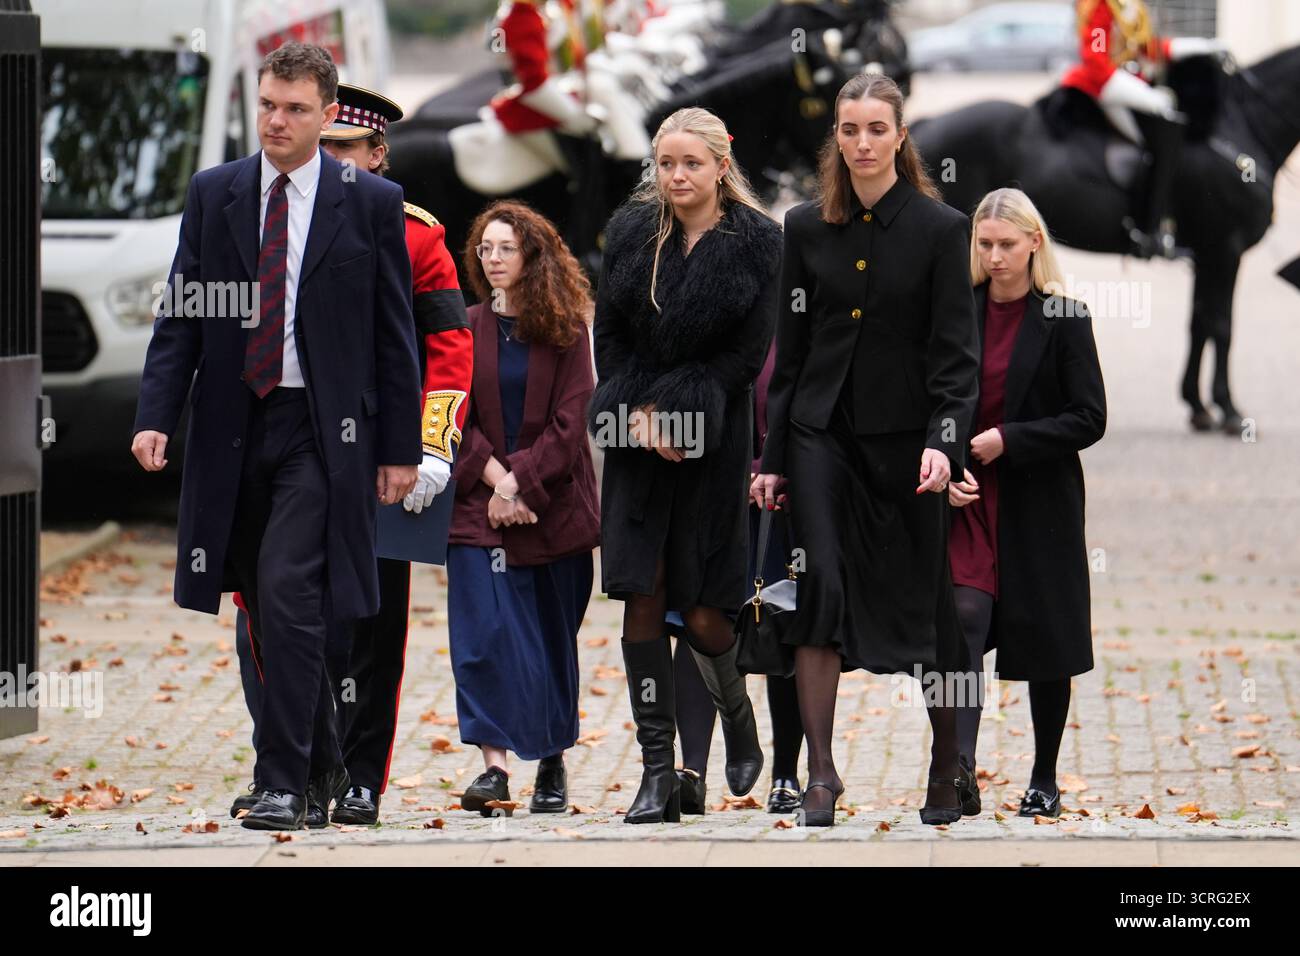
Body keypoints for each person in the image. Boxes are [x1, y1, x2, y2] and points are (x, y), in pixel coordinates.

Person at [131, 43, 422, 830]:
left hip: (321, 432)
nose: (277, 121)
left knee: (292, 590)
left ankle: (282, 783)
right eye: (267, 104)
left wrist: (400, 447)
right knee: (259, 602)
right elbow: (181, 313)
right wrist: (157, 412)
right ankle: (325, 764)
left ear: (328, 116)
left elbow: (396, 338)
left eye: (295, 108)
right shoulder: (216, 192)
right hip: (232, 426)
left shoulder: (368, 201)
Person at [228, 83, 475, 827]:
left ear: (378, 156)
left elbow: (447, 347)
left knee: (369, 624)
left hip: (376, 454)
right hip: (287, 441)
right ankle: (294, 766)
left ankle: (361, 773)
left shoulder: (415, 235)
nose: (330, 160)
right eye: (323, 146)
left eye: (345, 150)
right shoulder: (269, 212)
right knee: (269, 612)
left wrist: (432, 447)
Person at [751, 73, 980, 827]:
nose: (861, 143)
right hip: (823, 438)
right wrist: (773, 458)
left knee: (931, 608)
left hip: (909, 447)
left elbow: (956, 356)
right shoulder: (805, 227)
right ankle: (821, 775)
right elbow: (790, 354)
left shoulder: (943, 230)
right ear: (837, 139)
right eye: (849, 130)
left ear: (900, 136)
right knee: (819, 586)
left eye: (876, 129)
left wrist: (946, 443)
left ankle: (947, 769)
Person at [589, 106, 782, 824]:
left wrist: (681, 414)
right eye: (665, 163)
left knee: (703, 611)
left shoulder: (760, 241)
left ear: (719, 165)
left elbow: (742, 357)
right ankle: (655, 770)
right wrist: (637, 412)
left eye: (690, 164)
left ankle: (736, 711)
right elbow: (608, 333)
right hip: (638, 440)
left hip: (711, 440)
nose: (676, 176)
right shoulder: (633, 230)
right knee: (643, 596)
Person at [948, 187, 1107, 818]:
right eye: (984, 245)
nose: (995, 257)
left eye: (1007, 245)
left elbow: (1088, 417)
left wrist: (1009, 440)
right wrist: (951, 455)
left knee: (1046, 640)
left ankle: (1043, 776)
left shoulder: (1066, 316)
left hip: (1038, 501)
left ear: (1034, 243)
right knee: (960, 622)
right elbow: (933, 401)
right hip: (966, 498)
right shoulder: (958, 312)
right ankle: (957, 768)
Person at [446, 200, 600, 816]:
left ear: (532, 256)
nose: (493, 258)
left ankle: (553, 760)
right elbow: (451, 409)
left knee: (548, 641)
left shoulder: (566, 329)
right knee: (482, 636)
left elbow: (572, 420)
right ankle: (493, 768)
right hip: (478, 511)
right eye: (485, 248)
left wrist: (522, 486)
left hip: (552, 511)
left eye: (506, 247)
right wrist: (494, 480)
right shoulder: (465, 323)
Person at [1060, 0, 1226, 257]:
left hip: (1124, 79)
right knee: (1162, 136)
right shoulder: (1101, 5)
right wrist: (1146, 96)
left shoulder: (1129, 5)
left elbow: (1149, 50)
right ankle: (1146, 228)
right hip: (1101, 84)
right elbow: (1095, 58)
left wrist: (1201, 45)